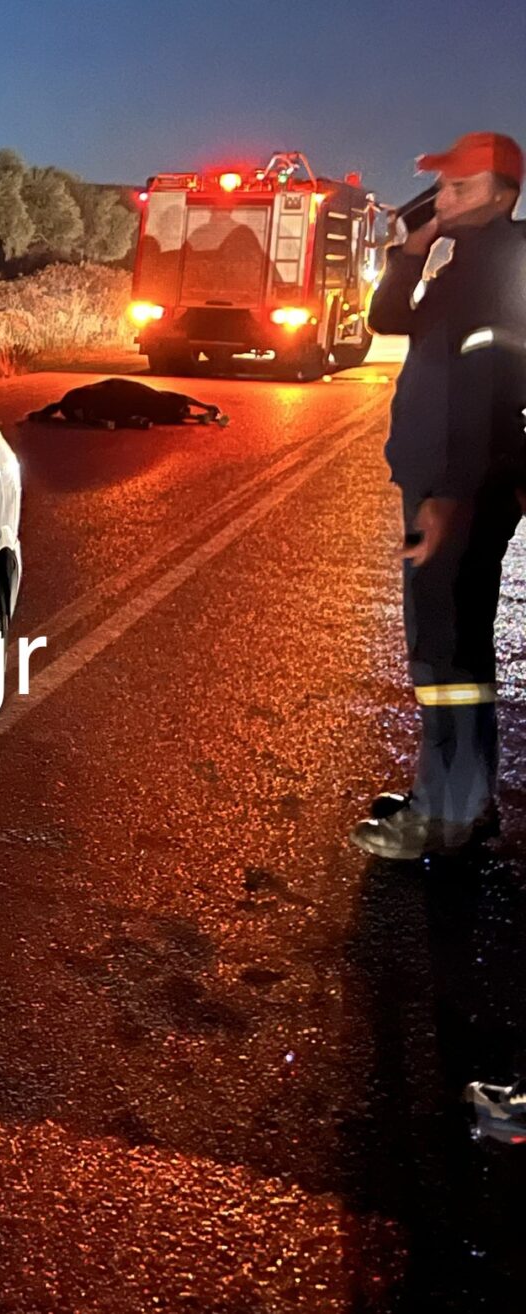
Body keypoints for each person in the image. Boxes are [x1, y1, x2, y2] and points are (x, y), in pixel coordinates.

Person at [350, 132, 526, 861]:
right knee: (454, 647)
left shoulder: (501, 270)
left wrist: (449, 497)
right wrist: (413, 248)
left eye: (459, 188)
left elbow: (482, 393)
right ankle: (464, 798)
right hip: (454, 484)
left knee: (444, 655)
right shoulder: (466, 266)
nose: (442, 198)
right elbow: (387, 321)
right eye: (441, 187)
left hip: (461, 490)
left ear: (501, 194)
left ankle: (445, 814)